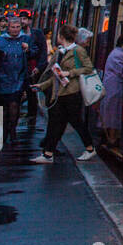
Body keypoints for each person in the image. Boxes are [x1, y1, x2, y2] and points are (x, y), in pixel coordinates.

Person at [30, 24, 97, 164]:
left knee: (74, 121)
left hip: (72, 92)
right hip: (60, 93)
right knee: (57, 122)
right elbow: (56, 75)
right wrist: (41, 86)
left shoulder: (78, 51)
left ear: (61, 36)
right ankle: (48, 154)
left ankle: (89, 148)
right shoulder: (60, 52)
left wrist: (70, 73)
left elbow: (88, 68)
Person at [0, 15, 32, 140]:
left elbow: (34, 53)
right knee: (3, 106)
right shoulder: (0, 41)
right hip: (2, 77)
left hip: (19, 77)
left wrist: (28, 50)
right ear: (8, 27)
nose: (15, 30)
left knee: (14, 104)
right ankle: (4, 128)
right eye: (13, 27)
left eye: (18, 27)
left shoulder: (26, 39)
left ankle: (12, 129)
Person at [99, 32, 123, 147]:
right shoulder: (119, 55)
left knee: (111, 113)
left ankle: (112, 137)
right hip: (114, 88)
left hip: (113, 87)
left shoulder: (116, 53)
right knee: (113, 114)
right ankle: (112, 138)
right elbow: (122, 72)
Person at [20, 11, 47, 133]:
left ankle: (32, 115)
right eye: (20, 19)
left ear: (29, 21)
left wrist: (40, 67)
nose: (22, 21)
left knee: (32, 92)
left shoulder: (37, 34)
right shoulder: (14, 34)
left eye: (25, 19)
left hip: (33, 68)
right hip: (20, 69)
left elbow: (42, 51)